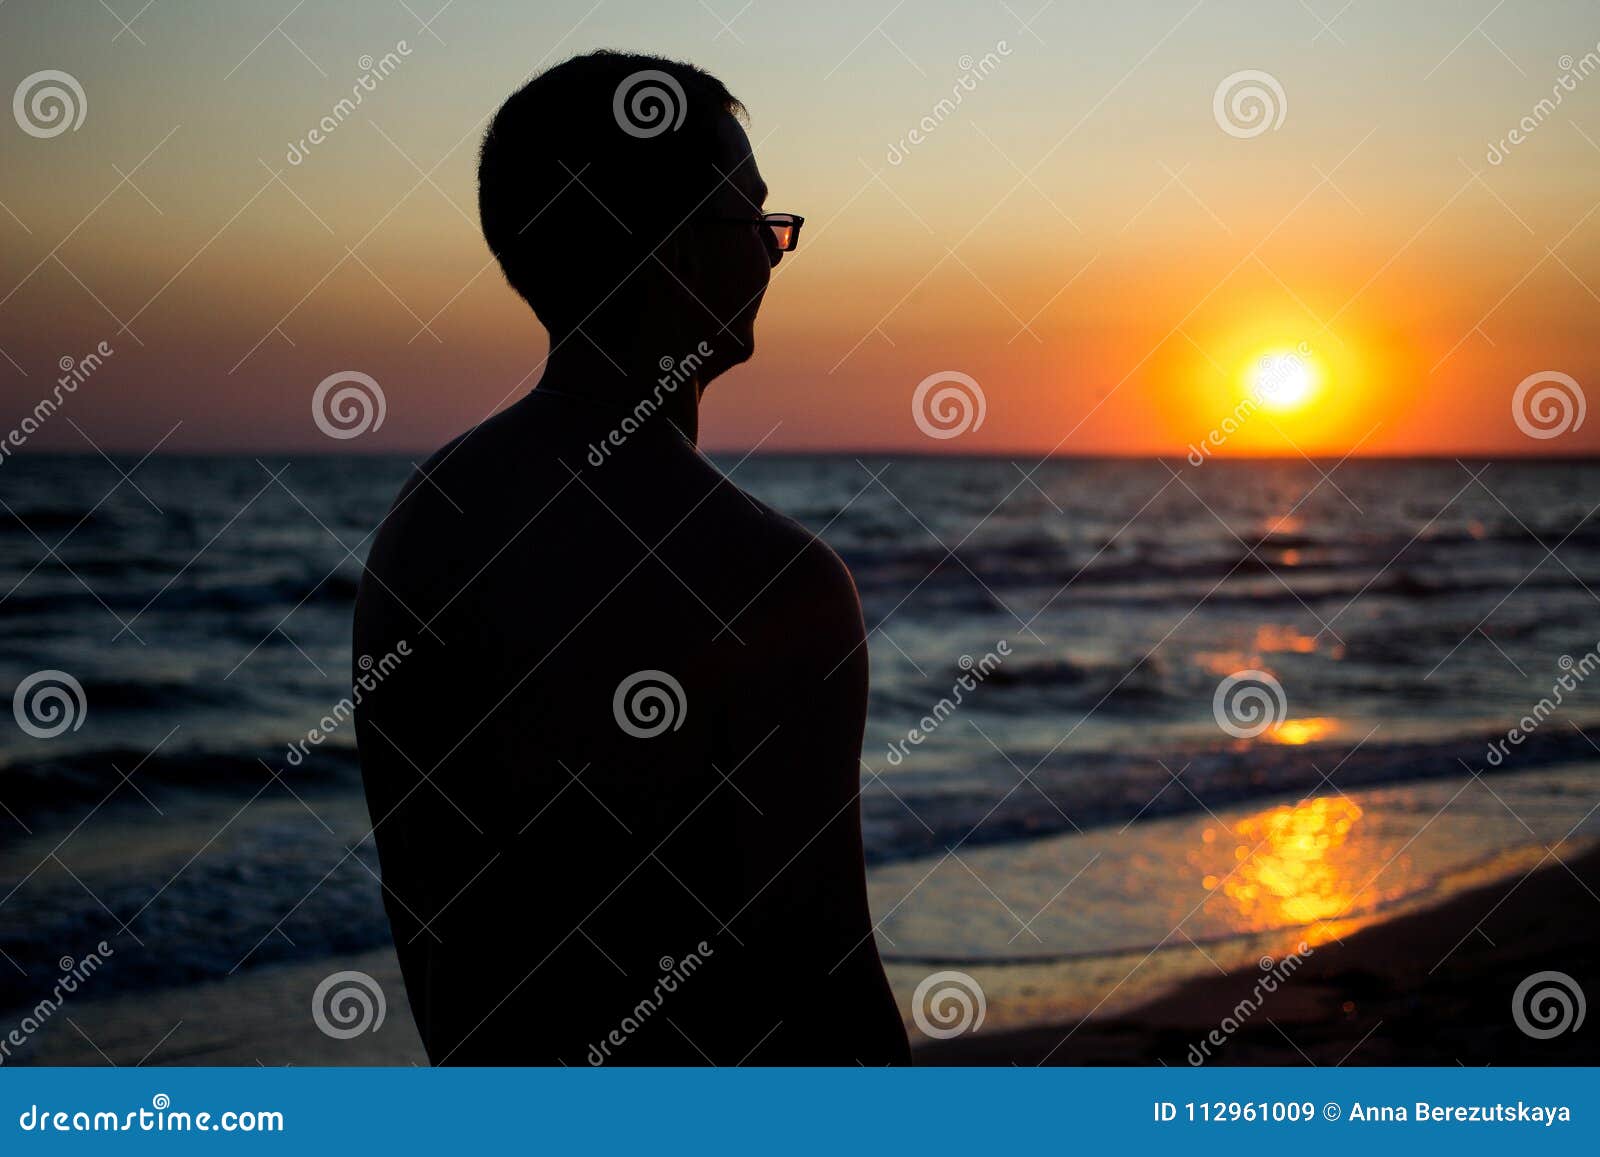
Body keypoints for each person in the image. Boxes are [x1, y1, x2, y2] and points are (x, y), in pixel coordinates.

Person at [352, 50, 909, 1065]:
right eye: (753, 218)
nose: (773, 251)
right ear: (681, 253)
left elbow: (432, 910)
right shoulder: (769, 581)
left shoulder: (423, 524)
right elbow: (825, 980)